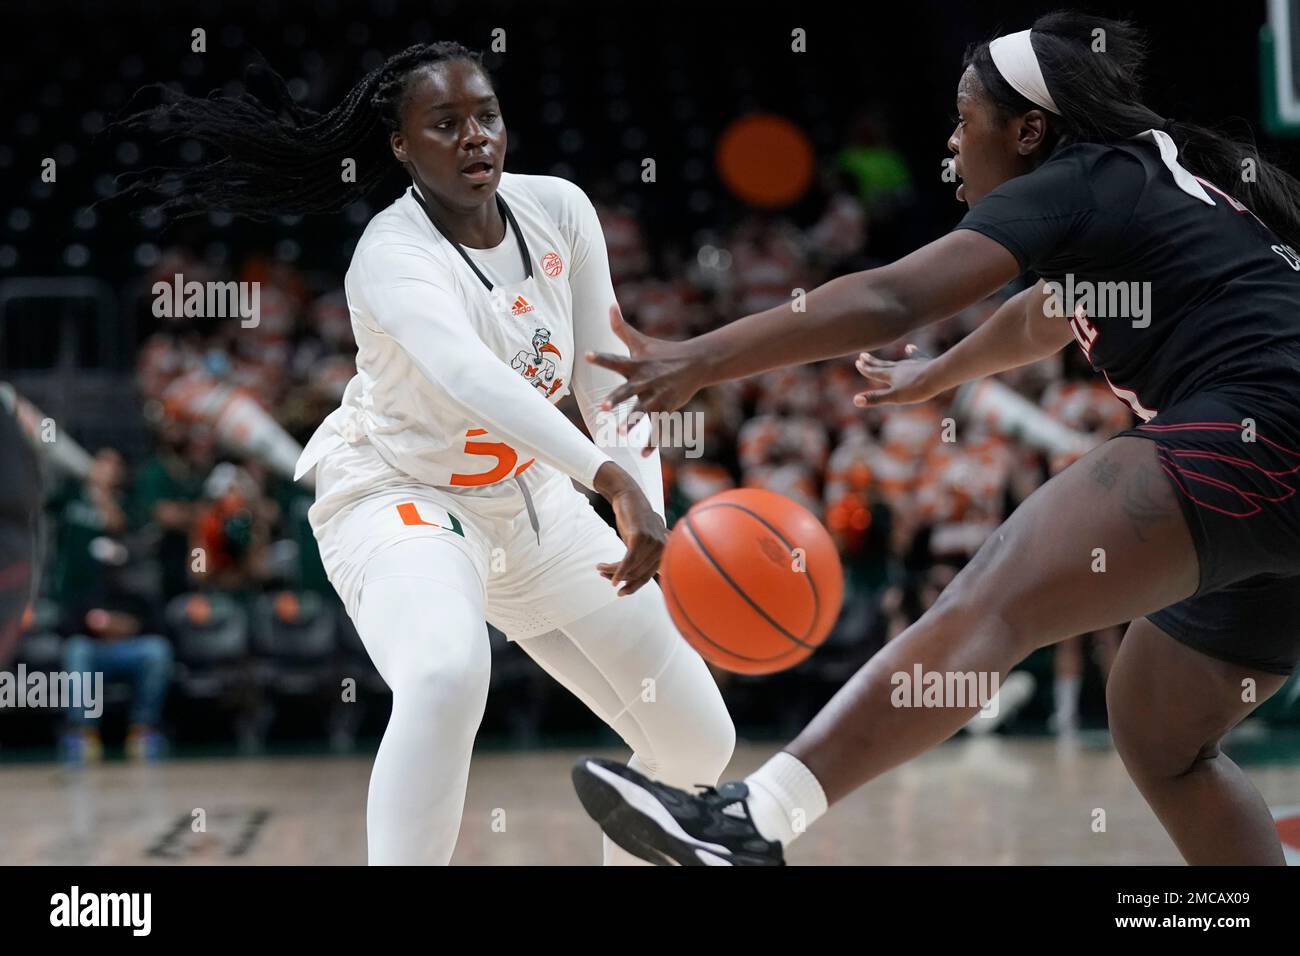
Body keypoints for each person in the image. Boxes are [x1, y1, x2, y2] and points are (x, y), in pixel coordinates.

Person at [572, 13, 1300, 865]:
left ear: (1029, 130)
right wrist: (941, 373)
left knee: (996, 595)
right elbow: (1045, 314)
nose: (952, 141)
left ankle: (749, 822)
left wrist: (700, 357)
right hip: (1276, 457)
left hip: (1267, 420)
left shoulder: (1083, 174)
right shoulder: (1137, 186)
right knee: (1158, 729)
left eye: (964, 118)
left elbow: (889, 299)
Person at [117, 42, 734, 865]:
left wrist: (643, 500)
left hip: (529, 498)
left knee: (698, 746)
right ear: (402, 146)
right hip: (399, 493)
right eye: (445, 124)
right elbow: (468, 377)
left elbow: (606, 372)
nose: (476, 137)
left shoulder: (561, 211)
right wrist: (607, 476)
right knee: (445, 675)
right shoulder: (391, 253)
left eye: (486, 116)